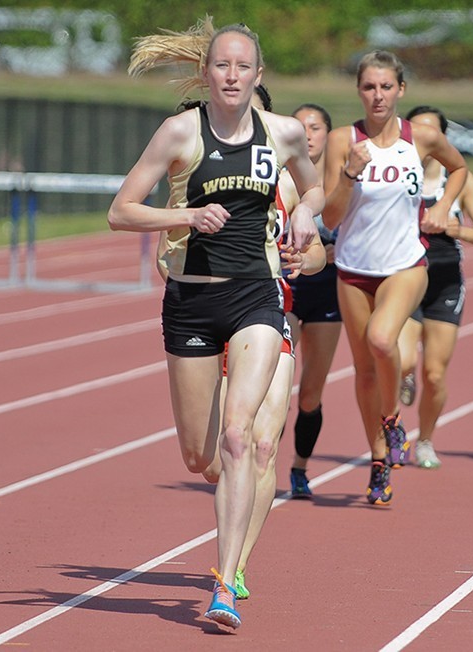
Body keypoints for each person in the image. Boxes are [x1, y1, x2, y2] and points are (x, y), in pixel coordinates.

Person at [107, 19, 324, 630]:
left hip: (256, 298)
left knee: (240, 437)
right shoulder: (180, 131)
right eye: (222, 66)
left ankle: (224, 585)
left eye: (243, 67)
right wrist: (185, 213)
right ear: (207, 73)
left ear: (259, 75)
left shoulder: (282, 134)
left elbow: (315, 191)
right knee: (200, 455)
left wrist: (305, 218)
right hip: (191, 303)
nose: (232, 76)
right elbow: (120, 211)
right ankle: (226, 512)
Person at [322, 50, 467, 504]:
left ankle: (391, 421)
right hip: (352, 270)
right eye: (369, 87)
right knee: (364, 372)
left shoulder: (421, 138)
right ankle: (379, 459)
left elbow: (459, 168)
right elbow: (330, 213)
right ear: (359, 91)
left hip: (406, 265)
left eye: (386, 86)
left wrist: (442, 207)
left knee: (383, 341)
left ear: (400, 90)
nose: (378, 95)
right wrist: (348, 173)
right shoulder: (341, 141)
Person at [395, 105, 473, 469]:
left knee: (435, 374)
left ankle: (424, 441)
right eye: (414, 131)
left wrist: (456, 229)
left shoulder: (460, 180)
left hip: (445, 281)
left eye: (430, 133)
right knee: (402, 360)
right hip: (405, 277)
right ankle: (393, 425)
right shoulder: (395, 174)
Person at [284, 102, 342, 499]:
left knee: (310, 393)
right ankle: (257, 461)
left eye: (316, 127)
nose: (308, 133)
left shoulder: (340, 183)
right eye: (300, 126)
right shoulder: (279, 178)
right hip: (285, 288)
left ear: (327, 134)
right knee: (272, 383)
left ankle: (300, 467)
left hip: (326, 289)